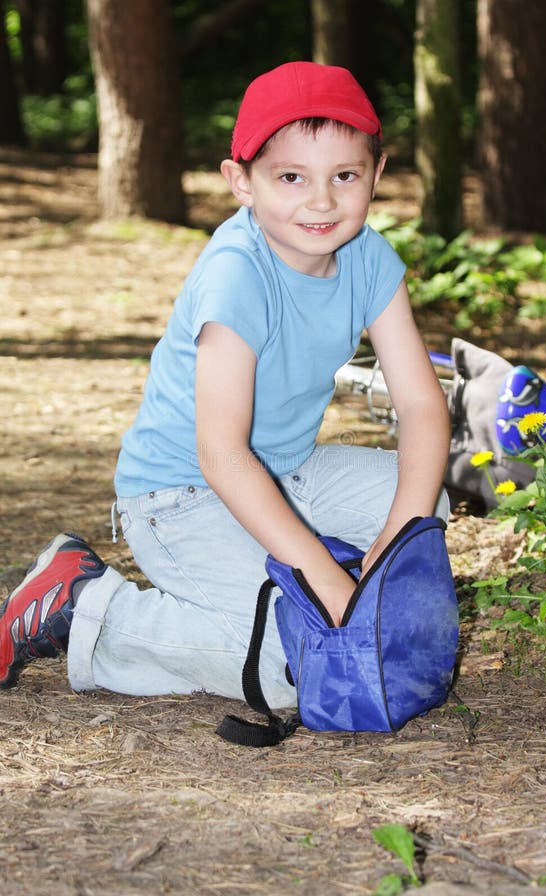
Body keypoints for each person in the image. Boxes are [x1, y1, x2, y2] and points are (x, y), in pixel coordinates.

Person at [0, 61, 450, 706]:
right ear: (241, 181)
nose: (320, 201)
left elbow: (419, 403)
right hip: (181, 493)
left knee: (422, 509)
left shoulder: (368, 256)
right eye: (290, 177)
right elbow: (222, 454)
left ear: (376, 174)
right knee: (291, 670)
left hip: (288, 472)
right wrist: (323, 576)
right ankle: (83, 605)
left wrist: (395, 533)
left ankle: (288, 587)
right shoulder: (238, 274)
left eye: (344, 176)